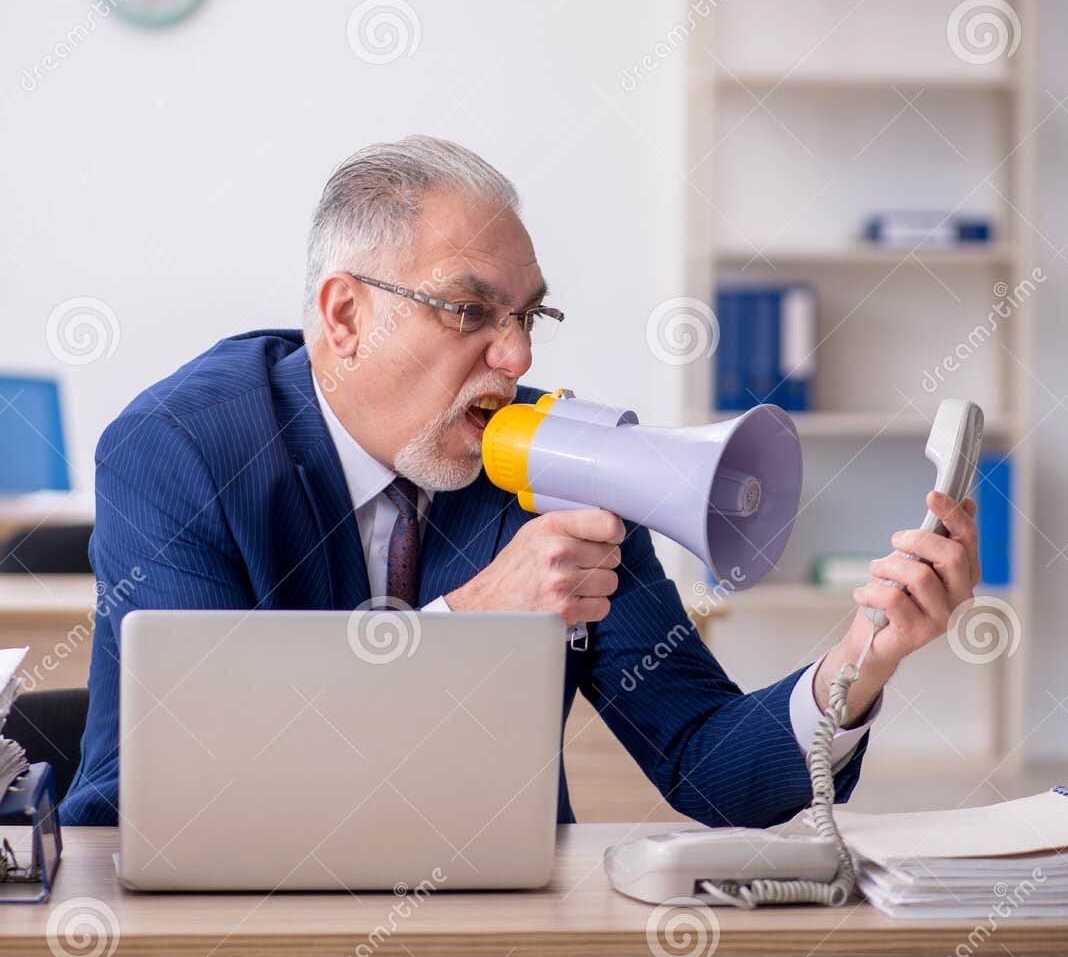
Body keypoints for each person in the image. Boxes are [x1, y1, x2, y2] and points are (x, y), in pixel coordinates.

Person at [62, 136, 980, 827]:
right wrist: (466, 628)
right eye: (470, 311)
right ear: (345, 315)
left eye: (528, 314)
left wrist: (862, 657)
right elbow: (183, 778)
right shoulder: (180, 448)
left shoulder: (556, 463)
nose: (517, 355)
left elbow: (707, 767)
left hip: (496, 944)